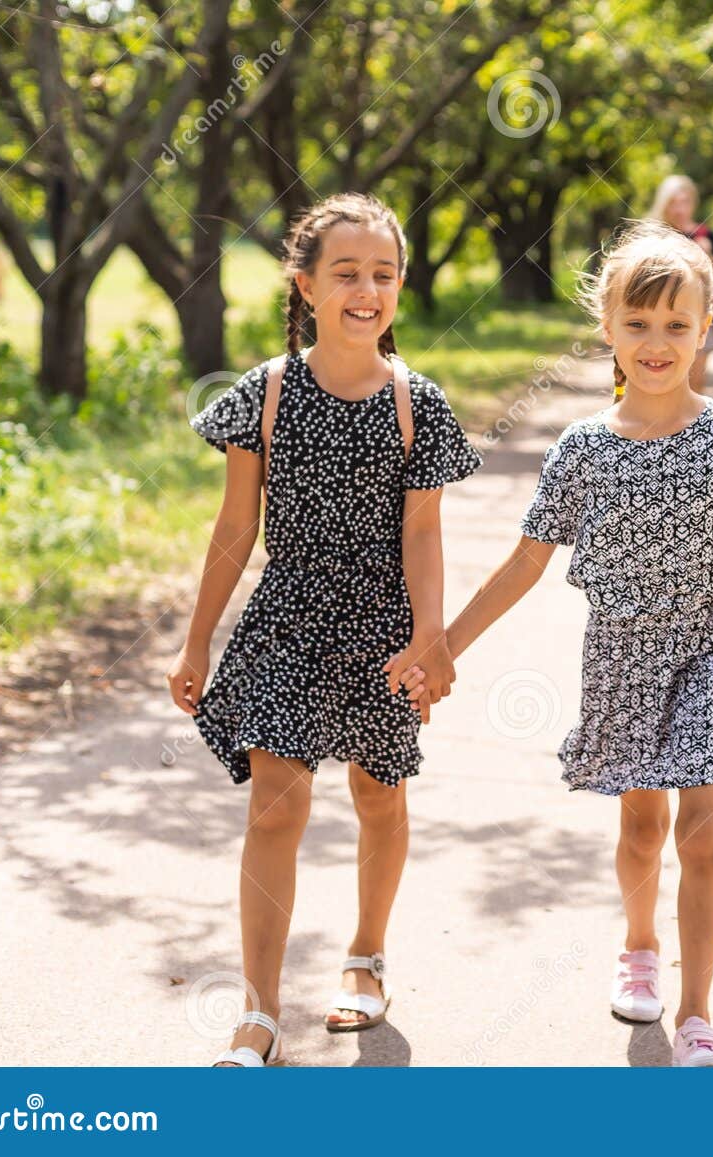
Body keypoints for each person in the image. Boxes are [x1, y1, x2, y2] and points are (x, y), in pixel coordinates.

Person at [400, 220, 713, 1066]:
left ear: (705, 329)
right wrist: (446, 643)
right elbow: (526, 560)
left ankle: (695, 1013)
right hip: (620, 655)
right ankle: (640, 946)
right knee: (643, 824)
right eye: (638, 324)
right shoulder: (581, 450)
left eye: (677, 325)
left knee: (705, 828)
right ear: (607, 326)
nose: (657, 343)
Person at [165, 192, 482, 1067]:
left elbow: (423, 533)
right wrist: (196, 641)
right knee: (279, 803)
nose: (365, 290)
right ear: (305, 286)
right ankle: (261, 1010)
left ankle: (366, 953)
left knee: (379, 794)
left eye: (382, 274)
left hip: (382, 630)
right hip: (286, 624)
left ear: (400, 287)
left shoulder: (418, 403)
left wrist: (430, 639)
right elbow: (235, 530)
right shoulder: (263, 394)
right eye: (345, 273)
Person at [650, 174, 713, 394]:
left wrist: (708, 255)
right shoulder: (653, 236)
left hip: (697, 317)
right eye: (673, 202)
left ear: (692, 203)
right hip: (657, 317)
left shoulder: (705, 235)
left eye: (684, 202)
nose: (679, 209)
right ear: (664, 204)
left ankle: (691, 428)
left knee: (694, 383)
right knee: (662, 384)